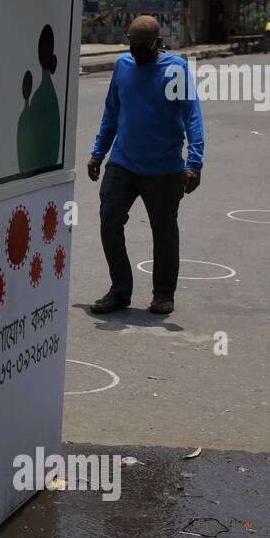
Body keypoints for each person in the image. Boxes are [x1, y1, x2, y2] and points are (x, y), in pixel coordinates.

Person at [88, 16, 205, 317]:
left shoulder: (176, 70)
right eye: (132, 46)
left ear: (158, 43)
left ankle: (164, 293)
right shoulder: (123, 66)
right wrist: (97, 153)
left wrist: (194, 163)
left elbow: (193, 117)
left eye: (143, 48)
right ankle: (120, 289)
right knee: (109, 220)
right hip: (123, 163)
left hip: (164, 168)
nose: (136, 53)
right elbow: (111, 113)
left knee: (164, 230)